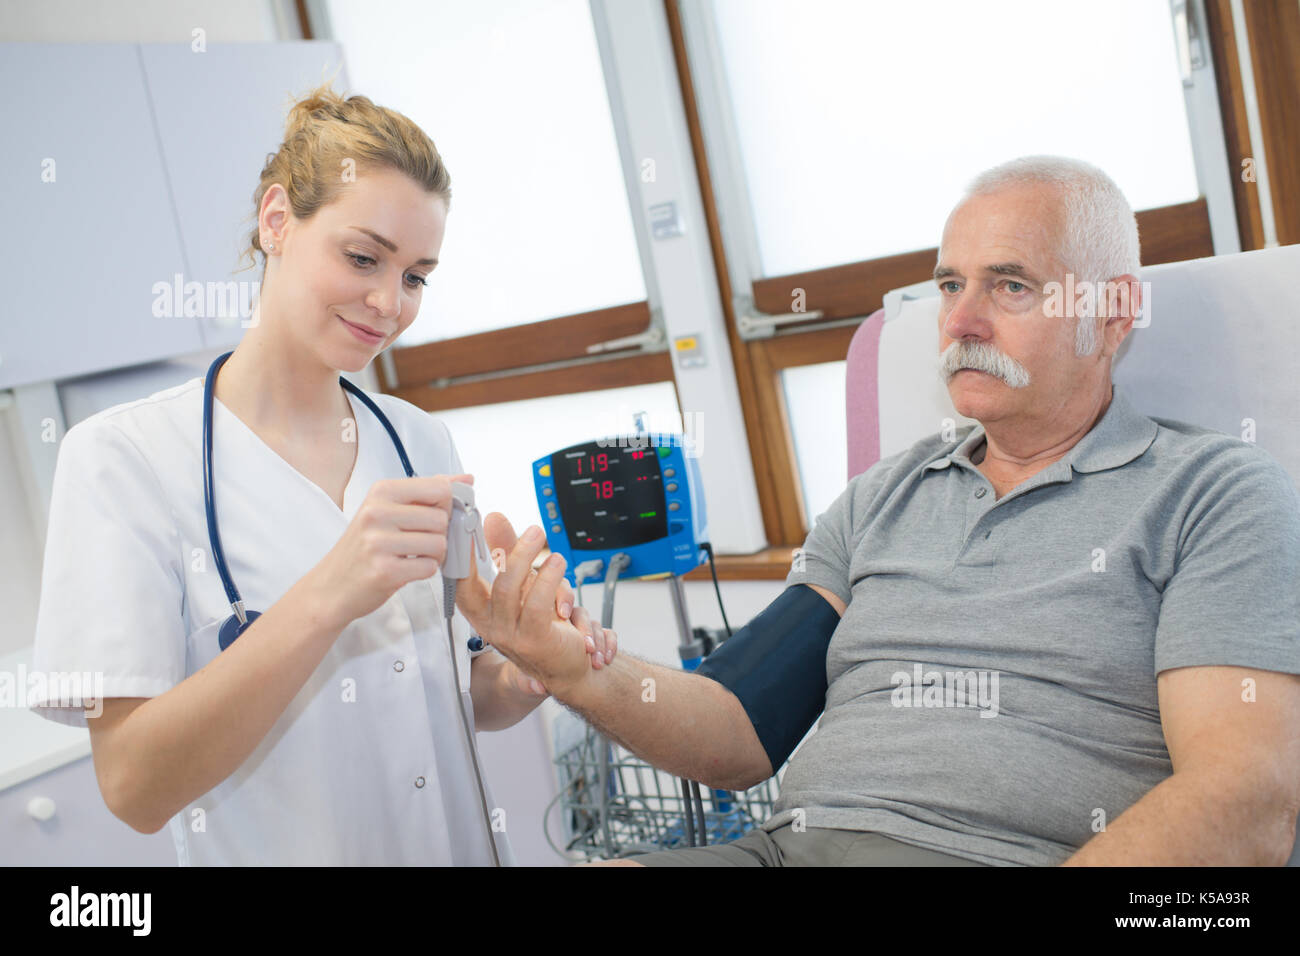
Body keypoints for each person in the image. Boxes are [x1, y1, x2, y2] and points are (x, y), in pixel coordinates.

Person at [458, 156, 1300, 866]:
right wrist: (574, 668)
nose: (961, 322)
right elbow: (736, 730)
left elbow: (1247, 800)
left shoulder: (1214, 495)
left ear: (1112, 312)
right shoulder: (883, 497)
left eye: (1010, 285)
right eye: (949, 284)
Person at [29, 85, 612, 866]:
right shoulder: (124, 461)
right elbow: (135, 787)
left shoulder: (418, 441)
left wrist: (529, 673)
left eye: (416, 276)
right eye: (363, 257)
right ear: (277, 221)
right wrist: (329, 593)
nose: (387, 302)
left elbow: (451, 691)